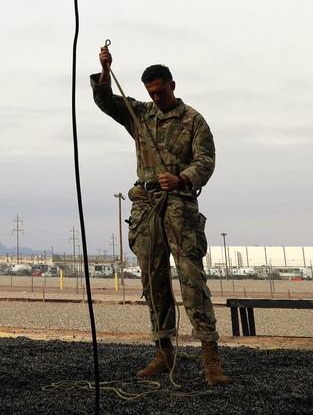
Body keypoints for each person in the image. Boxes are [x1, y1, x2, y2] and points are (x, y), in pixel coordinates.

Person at [91, 45, 230, 386]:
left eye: (160, 92)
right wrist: (106, 70)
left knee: (191, 279)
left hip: (180, 206)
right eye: (151, 93)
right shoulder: (140, 115)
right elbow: (106, 102)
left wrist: (182, 178)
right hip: (146, 207)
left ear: (172, 85)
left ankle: (210, 360)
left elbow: (206, 160)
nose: (156, 98)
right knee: (153, 280)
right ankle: (164, 354)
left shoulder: (193, 120)